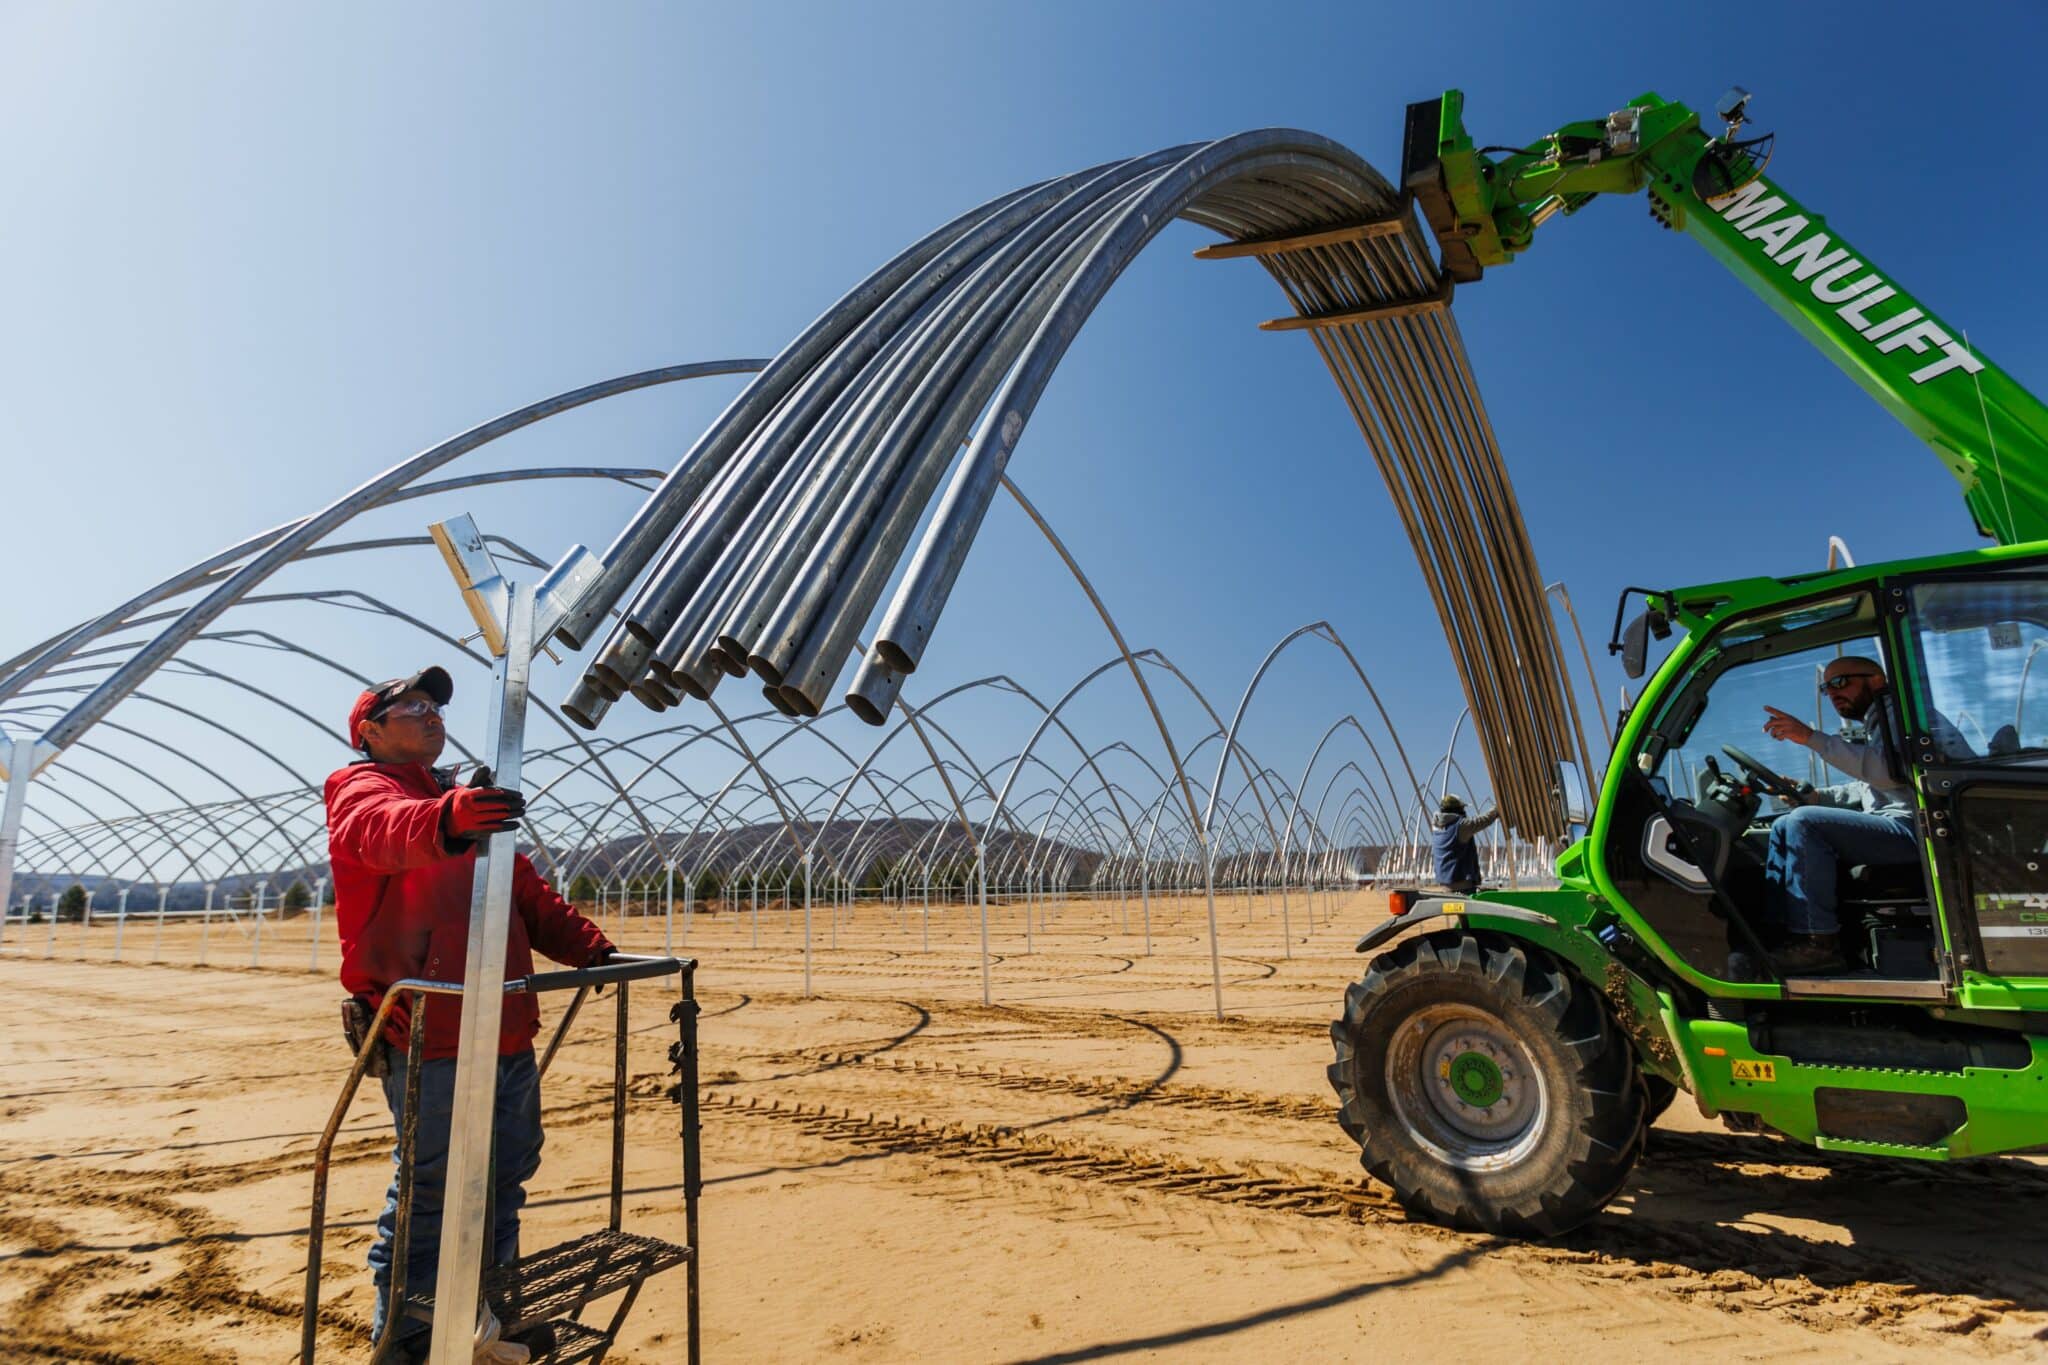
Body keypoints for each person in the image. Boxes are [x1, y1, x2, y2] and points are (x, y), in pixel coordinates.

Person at [327, 666, 614, 1362]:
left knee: (504, 1175)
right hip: (433, 1032)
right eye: (414, 706)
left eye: (437, 706)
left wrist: (591, 950)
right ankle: (407, 1336)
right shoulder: (363, 788)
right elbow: (380, 831)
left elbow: (527, 893)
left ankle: (491, 1317)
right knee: (430, 1188)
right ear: (370, 729)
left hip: (506, 1024)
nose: (432, 715)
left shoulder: (465, 803)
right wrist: (448, 819)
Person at [1758, 653, 1959, 974]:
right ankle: (1780, 936)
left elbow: (1887, 772)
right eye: (1827, 688)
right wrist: (1816, 795)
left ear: (1876, 680)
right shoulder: (1882, 718)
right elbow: (1874, 785)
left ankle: (1818, 945)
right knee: (1784, 824)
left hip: (1925, 829)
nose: (1833, 692)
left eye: (1841, 682)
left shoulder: (1899, 715)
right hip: (1903, 823)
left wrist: (1811, 739)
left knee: (1803, 823)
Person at [1431, 794, 1501, 895]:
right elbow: (1483, 820)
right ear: (1457, 810)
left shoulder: (1437, 826)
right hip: (1462, 886)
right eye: (1462, 809)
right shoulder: (1460, 826)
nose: (1464, 812)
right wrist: (1497, 809)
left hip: (1445, 887)